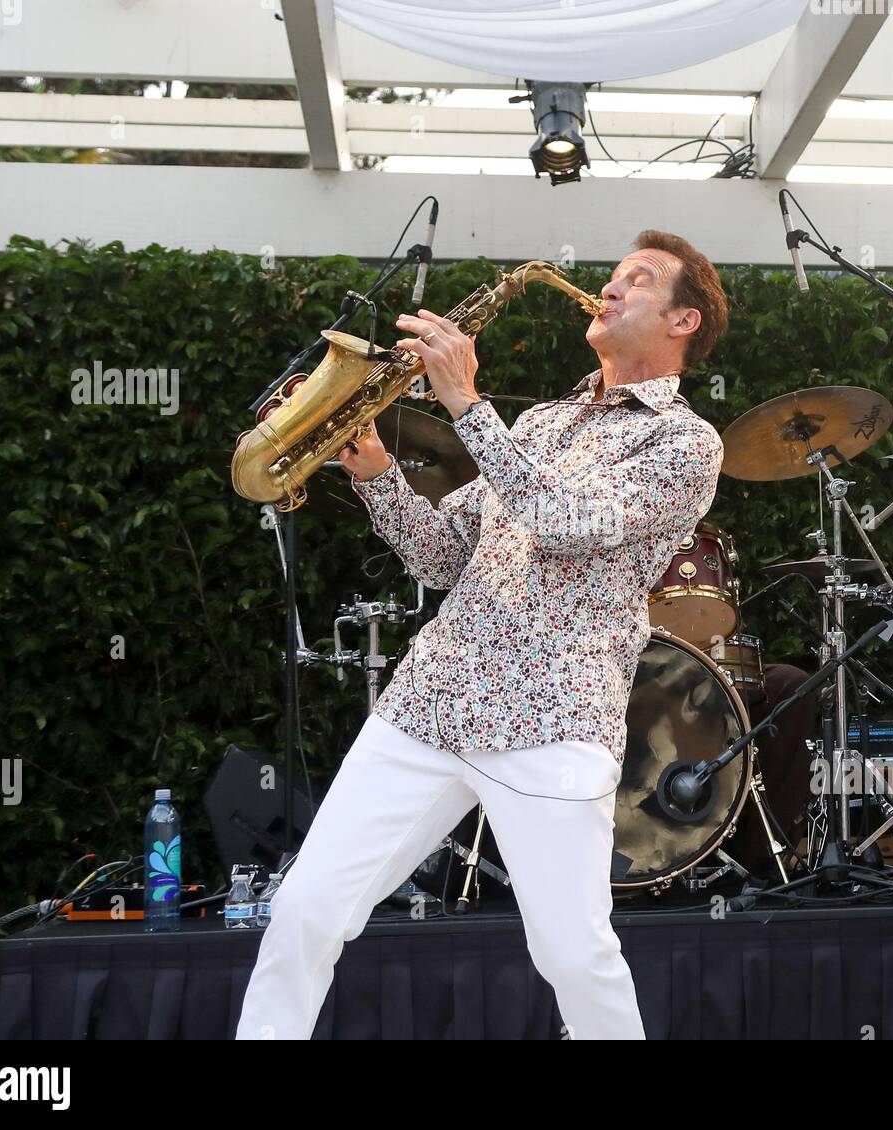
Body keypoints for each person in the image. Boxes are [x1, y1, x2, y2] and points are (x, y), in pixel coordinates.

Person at [236, 231, 728, 1040]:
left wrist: (467, 402)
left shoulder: (683, 442)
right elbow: (442, 557)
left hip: (553, 719)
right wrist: (375, 476)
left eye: (635, 283)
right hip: (430, 703)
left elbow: (566, 524)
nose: (607, 291)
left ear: (684, 321)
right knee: (305, 907)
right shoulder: (538, 422)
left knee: (574, 955)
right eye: (609, 278)